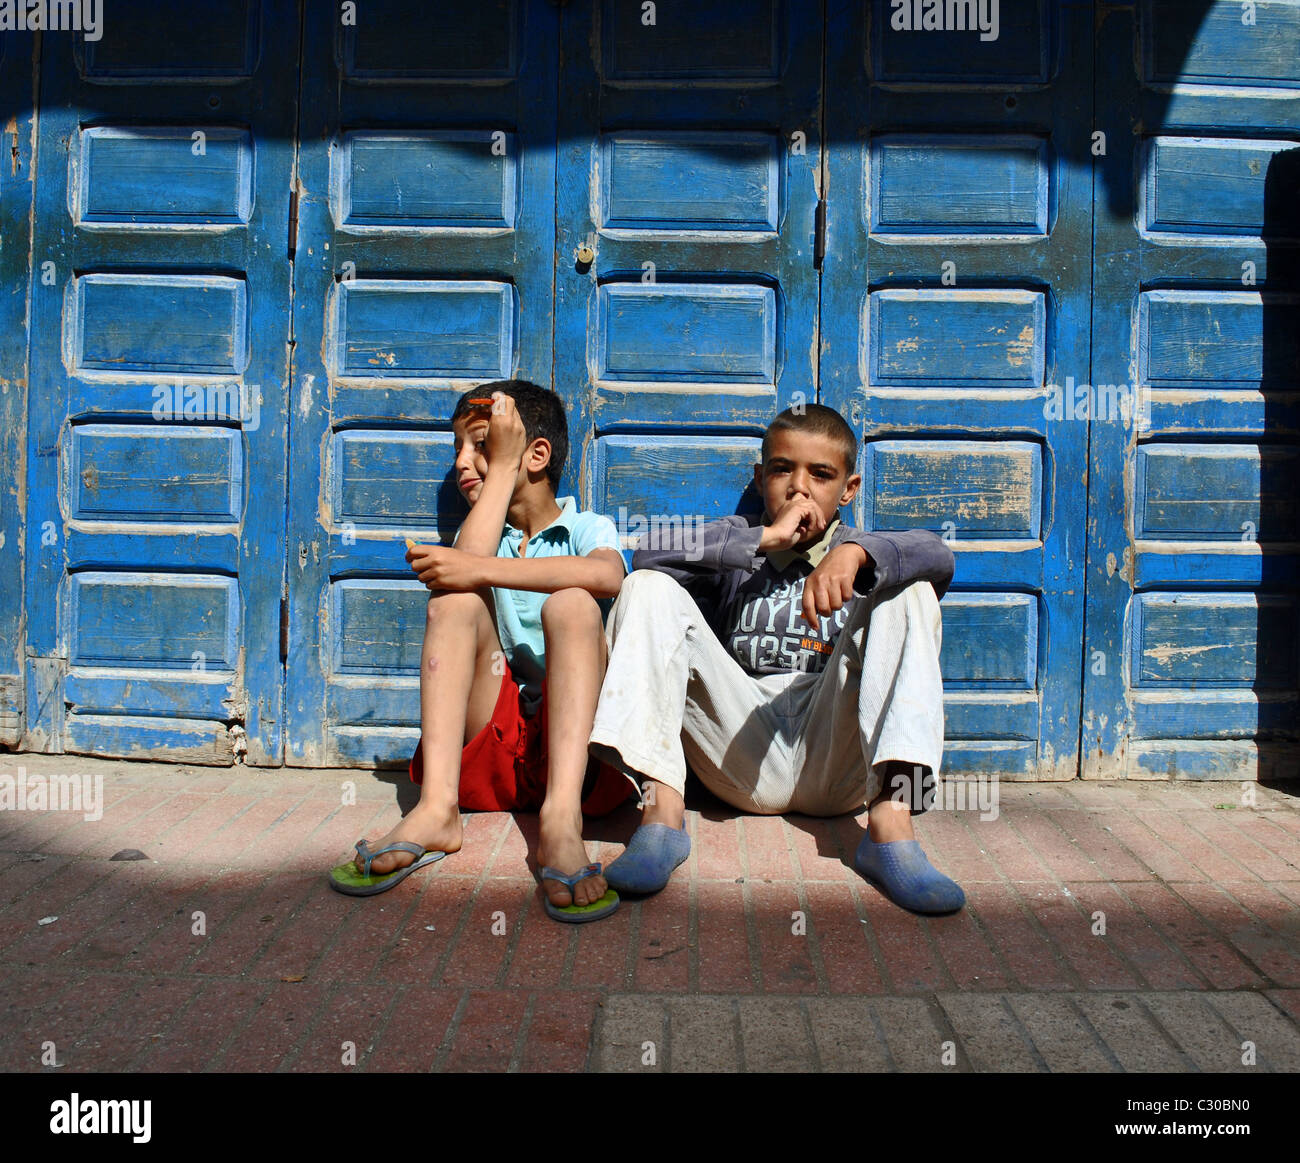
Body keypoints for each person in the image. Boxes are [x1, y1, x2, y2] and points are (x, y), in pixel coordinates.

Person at [588, 403, 965, 914]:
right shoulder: (736, 541)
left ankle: (891, 826)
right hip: (741, 751)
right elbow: (650, 553)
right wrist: (763, 539)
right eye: (783, 470)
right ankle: (661, 817)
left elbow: (937, 554)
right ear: (760, 476)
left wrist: (856, 553)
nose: (799, 489)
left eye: (821, 475)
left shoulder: (864, 550)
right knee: (646, 586)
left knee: (911, 591)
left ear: (849, 489)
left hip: (834, 758)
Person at [328, 380, 633, 921]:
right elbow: (460, 573)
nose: (461, 463)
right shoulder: (484, 534)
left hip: (579, 752)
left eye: (481, 446)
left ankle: (561, 821)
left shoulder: (586, 526)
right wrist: (499, 478)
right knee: (454, 600)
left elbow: (607, 576)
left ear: (535, 455)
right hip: (498, 740)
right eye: (457, 449)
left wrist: (482, 562)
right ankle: (437, 808)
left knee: (572, 603)